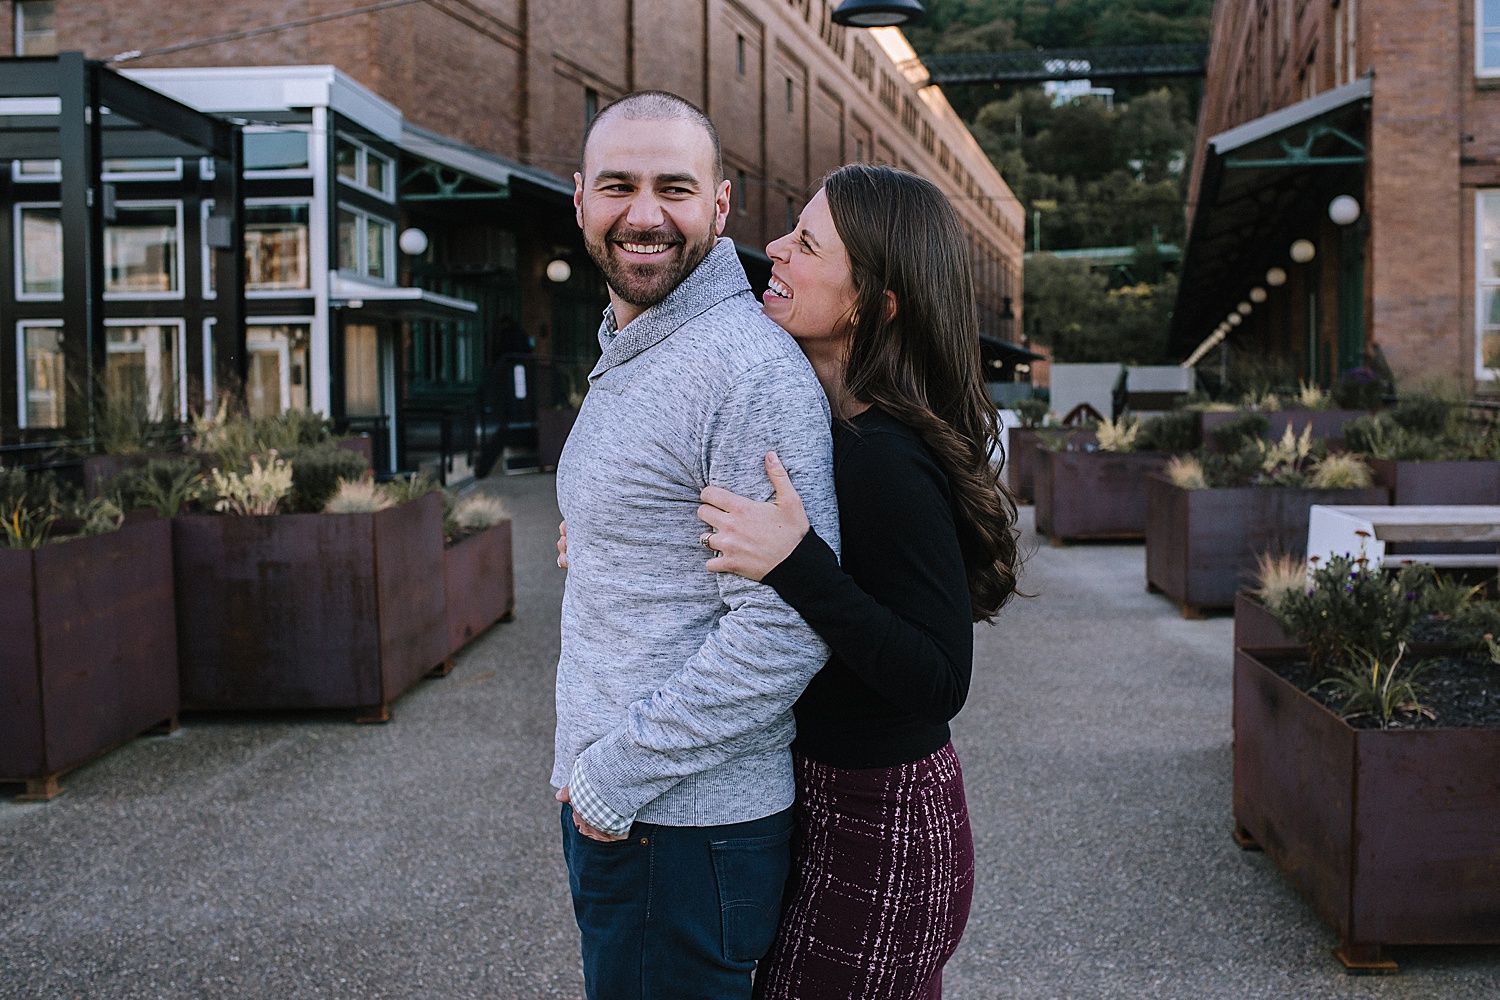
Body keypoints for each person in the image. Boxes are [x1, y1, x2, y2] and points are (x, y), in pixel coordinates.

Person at [695, 164, 1023, 999]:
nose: (773, 248)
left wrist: (798, 565)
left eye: (806, 244)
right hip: (824, 802)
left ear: (874, 304)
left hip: (881, 826)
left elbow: (940, 678)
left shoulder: (883, 457)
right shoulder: (818, 424)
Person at [551, 91, 840, 1000]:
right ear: (580, 200)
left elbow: (787, 628)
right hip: (638, 813)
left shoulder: (741, 368)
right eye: (618, 187)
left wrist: (612, 777)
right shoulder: (638, 345)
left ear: (720, 206)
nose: (643, 216)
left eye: (674, 188)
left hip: (676, 825)